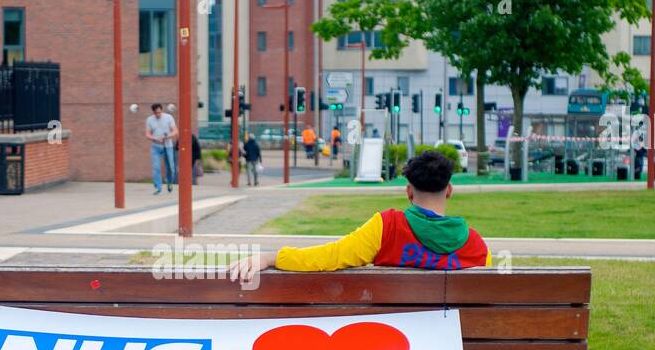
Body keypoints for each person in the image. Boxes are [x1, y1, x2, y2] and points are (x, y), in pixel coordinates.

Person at [231, 150, 491, 280]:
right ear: (449, 191)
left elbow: (330, 257)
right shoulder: (477, 246)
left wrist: (271, 257)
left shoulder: (386, 227)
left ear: (409, 192)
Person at [146, 103, 178, 195]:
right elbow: (147, 134)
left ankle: (170, 182)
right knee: (156, 167)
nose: (158, 114)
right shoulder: (149, 120)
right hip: (156, 146)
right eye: (156, 113)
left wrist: (167, 136)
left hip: (167, 146)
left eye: (159, 112)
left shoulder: (169, 118)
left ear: (162, 110)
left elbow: (175, 131)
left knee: (171, 167)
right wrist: (155, 138)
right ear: (153, 112)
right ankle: (158, 187)